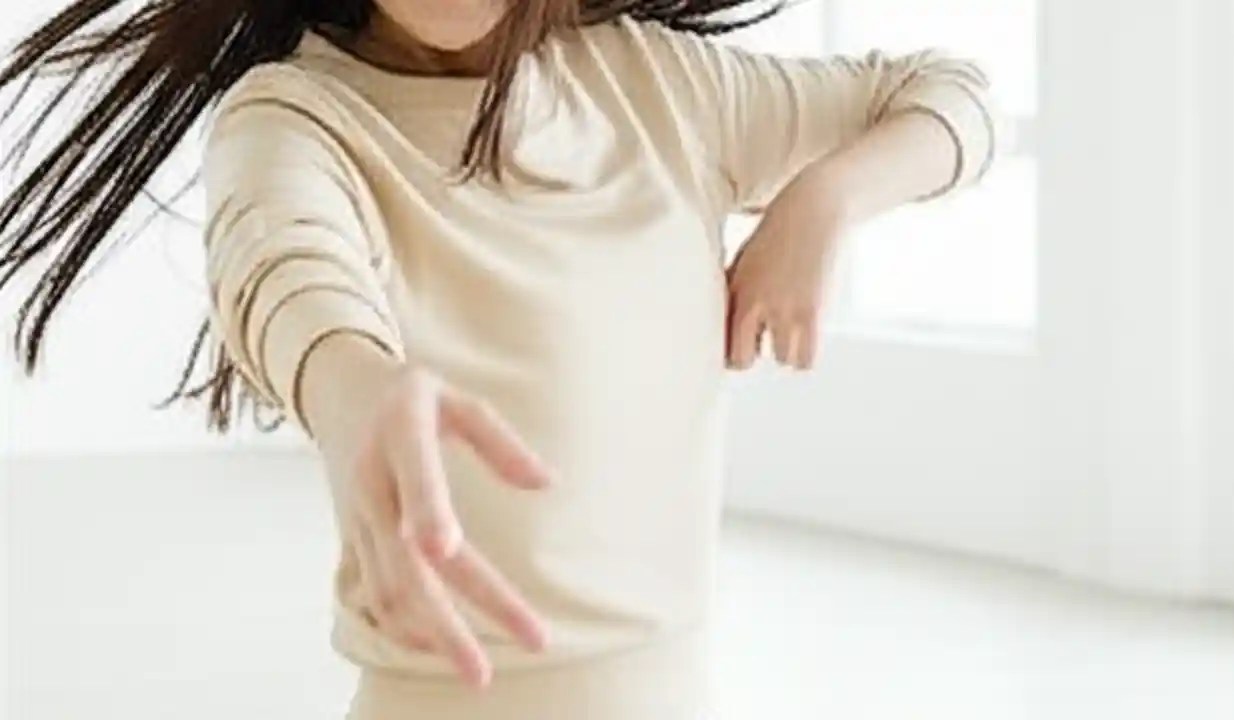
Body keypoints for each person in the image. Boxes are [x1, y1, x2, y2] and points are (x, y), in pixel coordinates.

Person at [0, 1, 999, 718]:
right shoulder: (294, 118)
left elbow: (945, 97)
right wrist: (355, 393)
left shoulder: (660, 87)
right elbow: (282, 271)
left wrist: (820, 200)